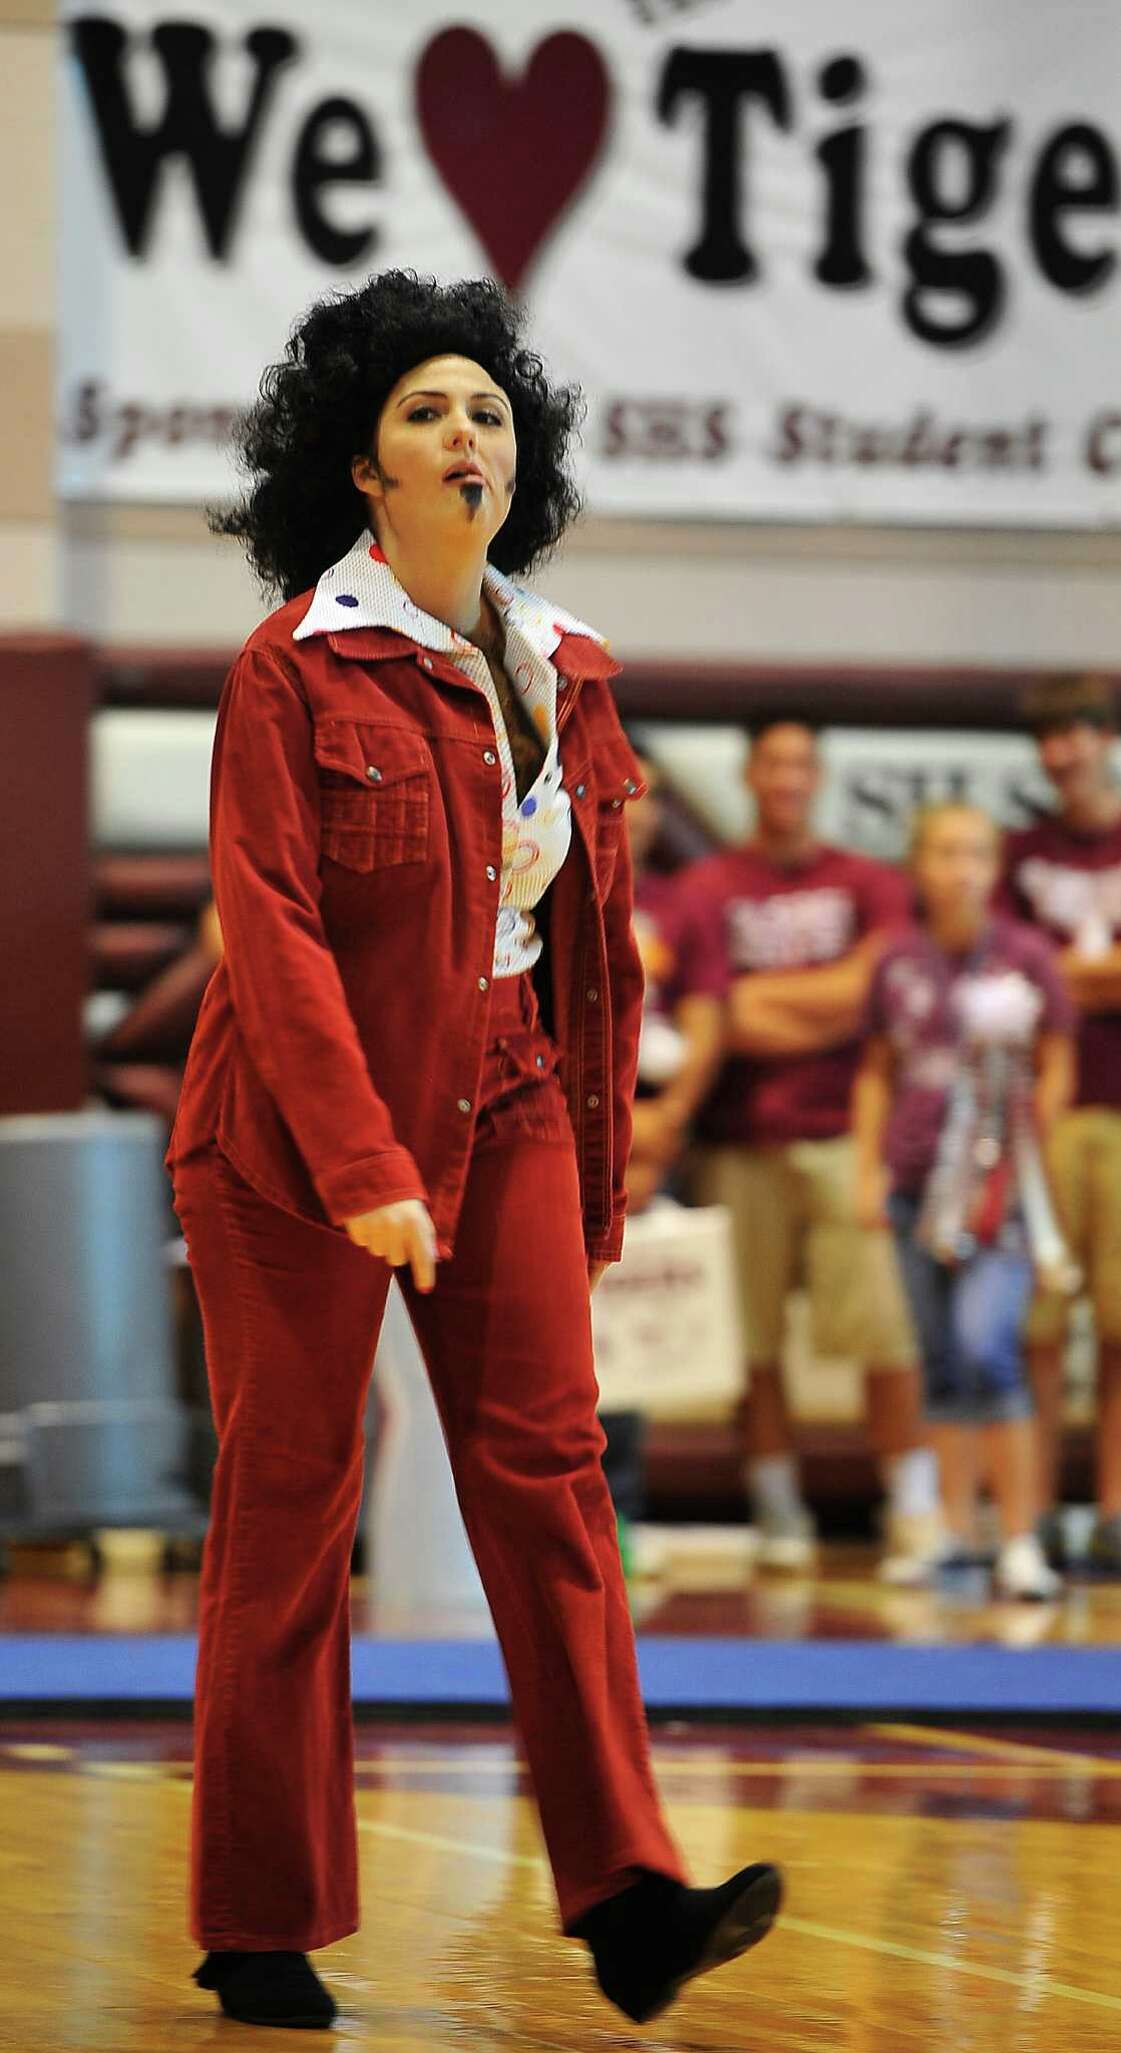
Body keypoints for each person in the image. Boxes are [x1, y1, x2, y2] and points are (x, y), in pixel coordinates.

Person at [164, 270, 781, 2032]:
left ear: (520, 464)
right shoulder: (292, 665)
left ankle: (630, 1894)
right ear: (363, 466)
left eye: (490, 414)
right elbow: (271, 934)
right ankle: (259, 1919)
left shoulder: (567, 667)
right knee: (293, 1504)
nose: (466, 436)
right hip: (291, 1138)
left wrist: (591, 1155)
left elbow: (598, 946)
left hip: (503, 1097)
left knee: (554, 1471)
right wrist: (364, 1162)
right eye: (427, 411)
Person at [675, 718, 940, 1578]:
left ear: (818, 775)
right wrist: (823, 1004)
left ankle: (913, 1506)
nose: (787, 777)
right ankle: (779, 1507)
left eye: (801, 763)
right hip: (740, 1140)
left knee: (884, 1334)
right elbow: (718, 1017)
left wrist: (764, 1003)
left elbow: (876, 989)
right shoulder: (708, 886)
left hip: (846, 1139)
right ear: (749, 773)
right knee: (750, 1343)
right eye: (773, 762)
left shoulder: (868, 881)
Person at [1000, 675, 1121, 1579]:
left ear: (1109, 738)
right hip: (1042, 1108)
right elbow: (1008, 975)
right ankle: (1035, 1509)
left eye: (1078, 730)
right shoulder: (1021, 850)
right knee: (1039, 1320)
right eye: (1048, 735)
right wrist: (1117, 965)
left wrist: (1062, 976)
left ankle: (1120, 1507)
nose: (1064, 750)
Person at [853, 803, 1076, 1599]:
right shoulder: (896, 960)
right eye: (945, 853)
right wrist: (868, 1168)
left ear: (996, 867)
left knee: (989, 1348)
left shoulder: (1024, 957)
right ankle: (952, 1530)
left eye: (977, 853)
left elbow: (1058, 1058)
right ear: (918, 865)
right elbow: (877, 1068)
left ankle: (1019, 1537)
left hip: (996, 1195)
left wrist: (1023, 1147)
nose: (961, 870)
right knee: (941, 1359)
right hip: (917, 1187)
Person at [597, 748, 725, 1577]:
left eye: (647, 795)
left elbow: (710, 1016)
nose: (635, 808)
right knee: (563, 1329)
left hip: (653, 1131)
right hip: (576, 1123)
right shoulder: (557, 877)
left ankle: (622, 1510)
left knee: (631, 1333)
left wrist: (667, 1122)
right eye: (622, 789)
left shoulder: (684, 905)